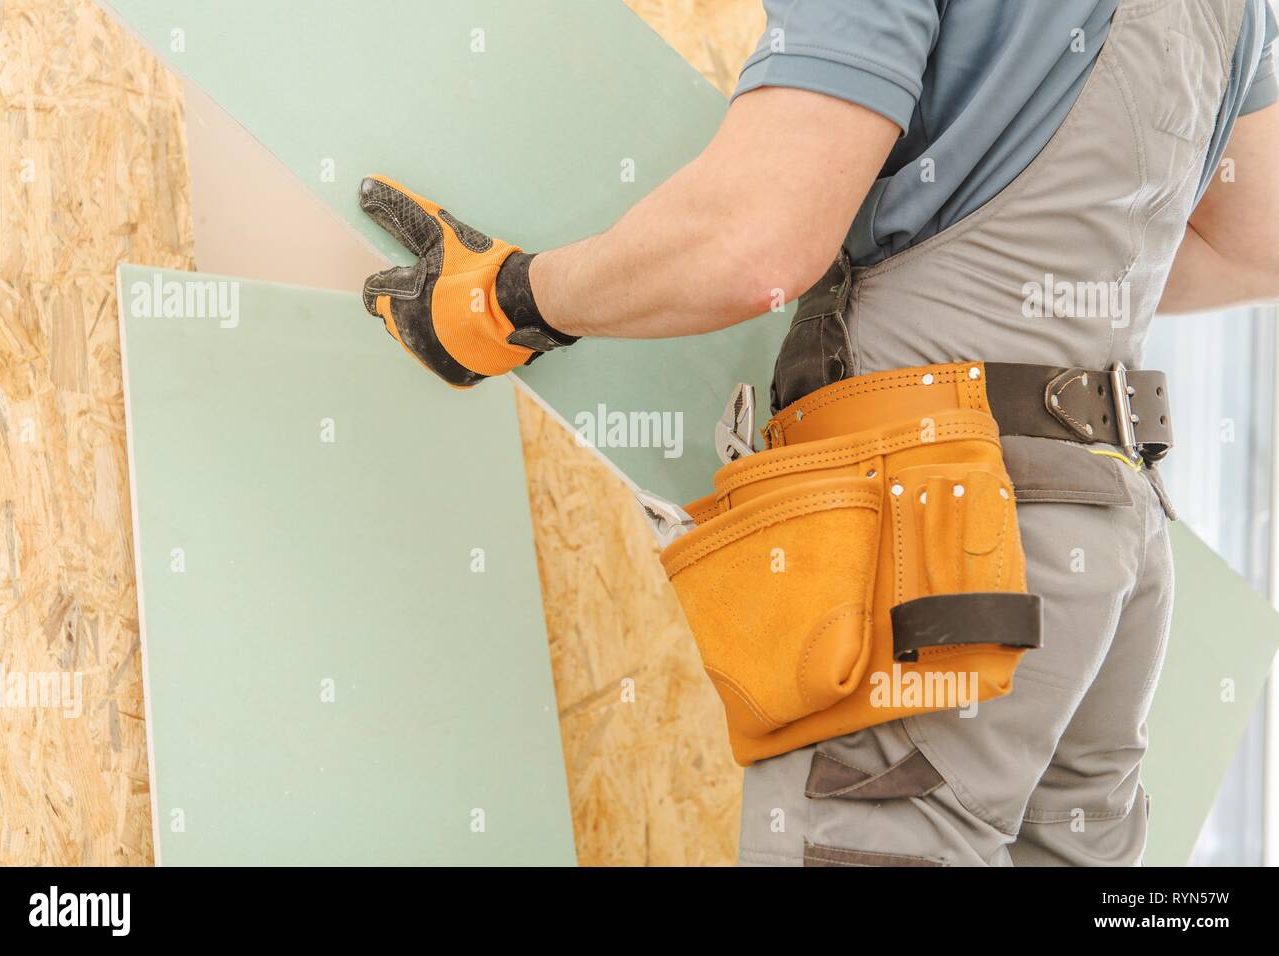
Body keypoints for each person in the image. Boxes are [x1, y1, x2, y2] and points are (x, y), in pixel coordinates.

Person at [358, 0, 1279, 866]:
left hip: (941, 545)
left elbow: (757, 244)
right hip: (1104, 541)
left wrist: (508, 301)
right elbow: (1257, 241)